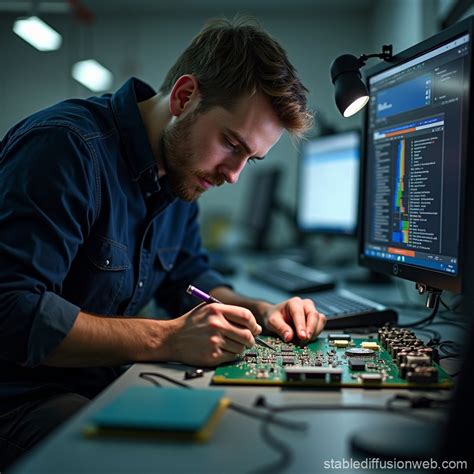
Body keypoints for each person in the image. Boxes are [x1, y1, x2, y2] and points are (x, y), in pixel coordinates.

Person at [0, 17, 326, 467]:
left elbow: (188, 278)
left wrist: (262, 311)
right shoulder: (65, 147)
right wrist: (166, 339)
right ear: (184, 97)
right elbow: (12, 312)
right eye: (231, 144)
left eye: (251, 158)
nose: (233, 175)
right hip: (20, 398)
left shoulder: (178, 173)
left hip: (96, 382)